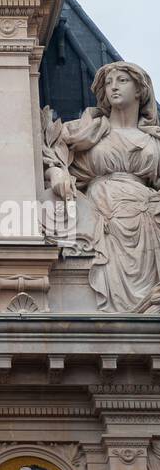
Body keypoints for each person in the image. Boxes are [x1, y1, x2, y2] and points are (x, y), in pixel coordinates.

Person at [45, 63, 160, 313]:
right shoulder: (88, 131)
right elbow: (52, 154)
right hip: (103, 214)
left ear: (140, 90)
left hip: (145, 223)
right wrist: (56, 172)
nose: (114, 87)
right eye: (109, 83)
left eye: (122, 80)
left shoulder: (154, 140)